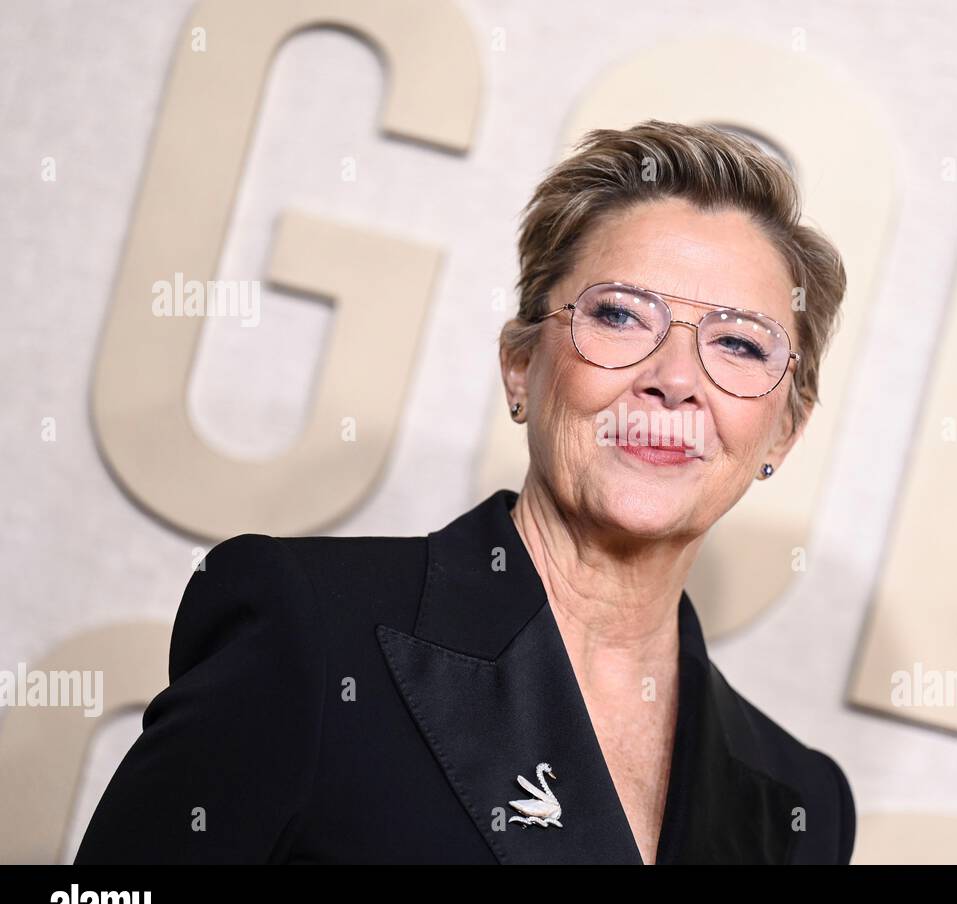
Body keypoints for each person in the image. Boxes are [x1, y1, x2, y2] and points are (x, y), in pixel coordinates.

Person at [75, 119, 854, 864]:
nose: (675, 379)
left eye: (740, 344)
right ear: (521, 365)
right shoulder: (309, 632)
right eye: (620, 314)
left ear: (782, 431)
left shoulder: (804, 805)